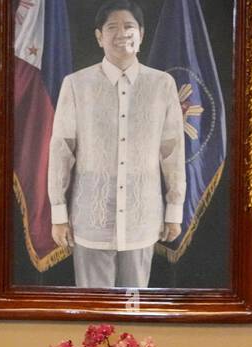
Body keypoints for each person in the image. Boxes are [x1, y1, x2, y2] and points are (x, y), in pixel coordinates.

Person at [48, 1, 186, 288]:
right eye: (112, 27)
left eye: (129, 26)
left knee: (133, 312)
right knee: (93, 314)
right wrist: (58, 214)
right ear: (100, 36)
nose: (121, 33)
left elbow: (172, 151)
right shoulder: (76, 84)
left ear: (142, 34)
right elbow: (62, 150)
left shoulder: (162, 85)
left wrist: (174, 211)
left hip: (142, 219)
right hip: (90, 220)